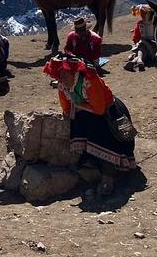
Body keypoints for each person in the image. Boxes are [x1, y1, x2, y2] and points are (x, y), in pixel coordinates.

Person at [43, 56, 137, 196]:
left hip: (107, 113)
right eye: (59, 74)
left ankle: (108, 174)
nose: (61, 77)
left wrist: (78, 105)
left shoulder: (90, 81)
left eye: (65, 74)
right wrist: (76, 112)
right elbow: (67, 109)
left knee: (102, 133)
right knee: (76, 127)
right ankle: (89, 161)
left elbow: (99, 108)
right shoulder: (63, 86)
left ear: (74, 72)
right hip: (86, 113)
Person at [124, 5, 156, 72]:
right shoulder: (156, 23)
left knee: (141, 47)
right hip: (155, 48)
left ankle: (136, 60)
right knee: (143, 46)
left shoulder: (140, 24)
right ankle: (139, 60)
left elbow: (135, 38)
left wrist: (135, 44)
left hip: (143, 45)